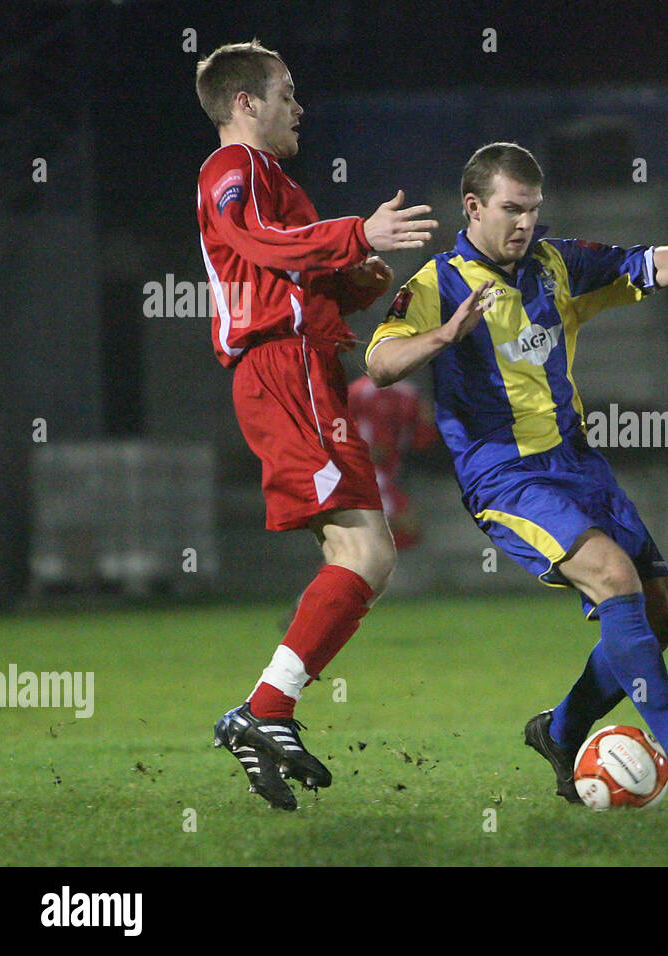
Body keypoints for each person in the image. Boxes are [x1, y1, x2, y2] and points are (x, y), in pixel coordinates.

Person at [365, 142, 668, 802]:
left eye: (532, 210)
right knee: (612, 575)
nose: (523, 223)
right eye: (511, 210)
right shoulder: (435, 285)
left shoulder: (553, 262)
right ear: (473, 206)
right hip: (504, 475)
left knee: (661, 615)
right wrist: (441, 337)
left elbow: (637, 264)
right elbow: (379, 364)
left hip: (576, 463)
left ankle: (561, 732)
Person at [195, 40, 439, 810]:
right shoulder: (231, 171)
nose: (300, 107)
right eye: (287, 92)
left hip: (305, 369)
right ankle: (264, 711)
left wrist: (356, 280)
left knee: (366, 550)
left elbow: (297, 274)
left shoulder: (275, 182)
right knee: (365, 549)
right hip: (281, 370)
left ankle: (266, 713)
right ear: (245, 105)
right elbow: (255, 246)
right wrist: (357, 235)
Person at [347, 375, 441, 550]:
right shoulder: (363, 392)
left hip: (384, 471)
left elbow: (423, 438)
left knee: (368, 540)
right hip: (368, 472)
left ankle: (350, 570)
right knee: (405, 527)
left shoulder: (408, 394)